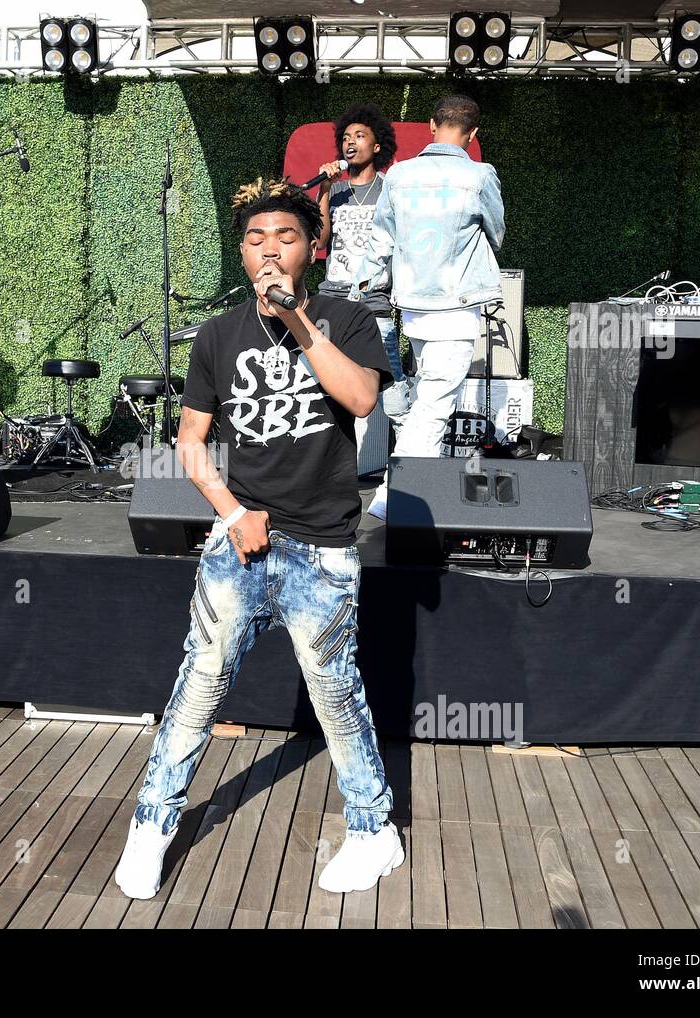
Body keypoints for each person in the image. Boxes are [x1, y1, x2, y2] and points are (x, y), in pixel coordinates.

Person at [114, 178, 403, 901]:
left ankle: (374, 833)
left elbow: (363, 400)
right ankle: (152, 824)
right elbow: (190, 441)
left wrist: (301, 324)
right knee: (198, 686)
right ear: (240, 253)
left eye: (285, 237)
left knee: (338, 696)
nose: (270, 249)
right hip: (240, 539)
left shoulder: (347, 316)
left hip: (325, 547)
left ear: (312, 248)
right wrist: (230, 509)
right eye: (254, 239)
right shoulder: (217, 335)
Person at [350, 94, 505, 520]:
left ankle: (421, 490)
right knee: (436, 401)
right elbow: (496, 232)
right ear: (473, 135)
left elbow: (380, 241)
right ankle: (394, 496)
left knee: (427, 395)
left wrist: (356, 291)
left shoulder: (398, 175)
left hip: (414, 306)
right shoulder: (479, 175)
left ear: (432, 126)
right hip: (457, 305)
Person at [315, 103, 412, 444]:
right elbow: (321, 242)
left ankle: (409, 465)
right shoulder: (336, 192)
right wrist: (325, 190)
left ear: (377, 146)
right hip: (332, 298)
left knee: (393, 388)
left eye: (359, 136)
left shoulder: (390, 190)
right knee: (323, 384)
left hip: (374, 299)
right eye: (345, 137)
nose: (350, 142)